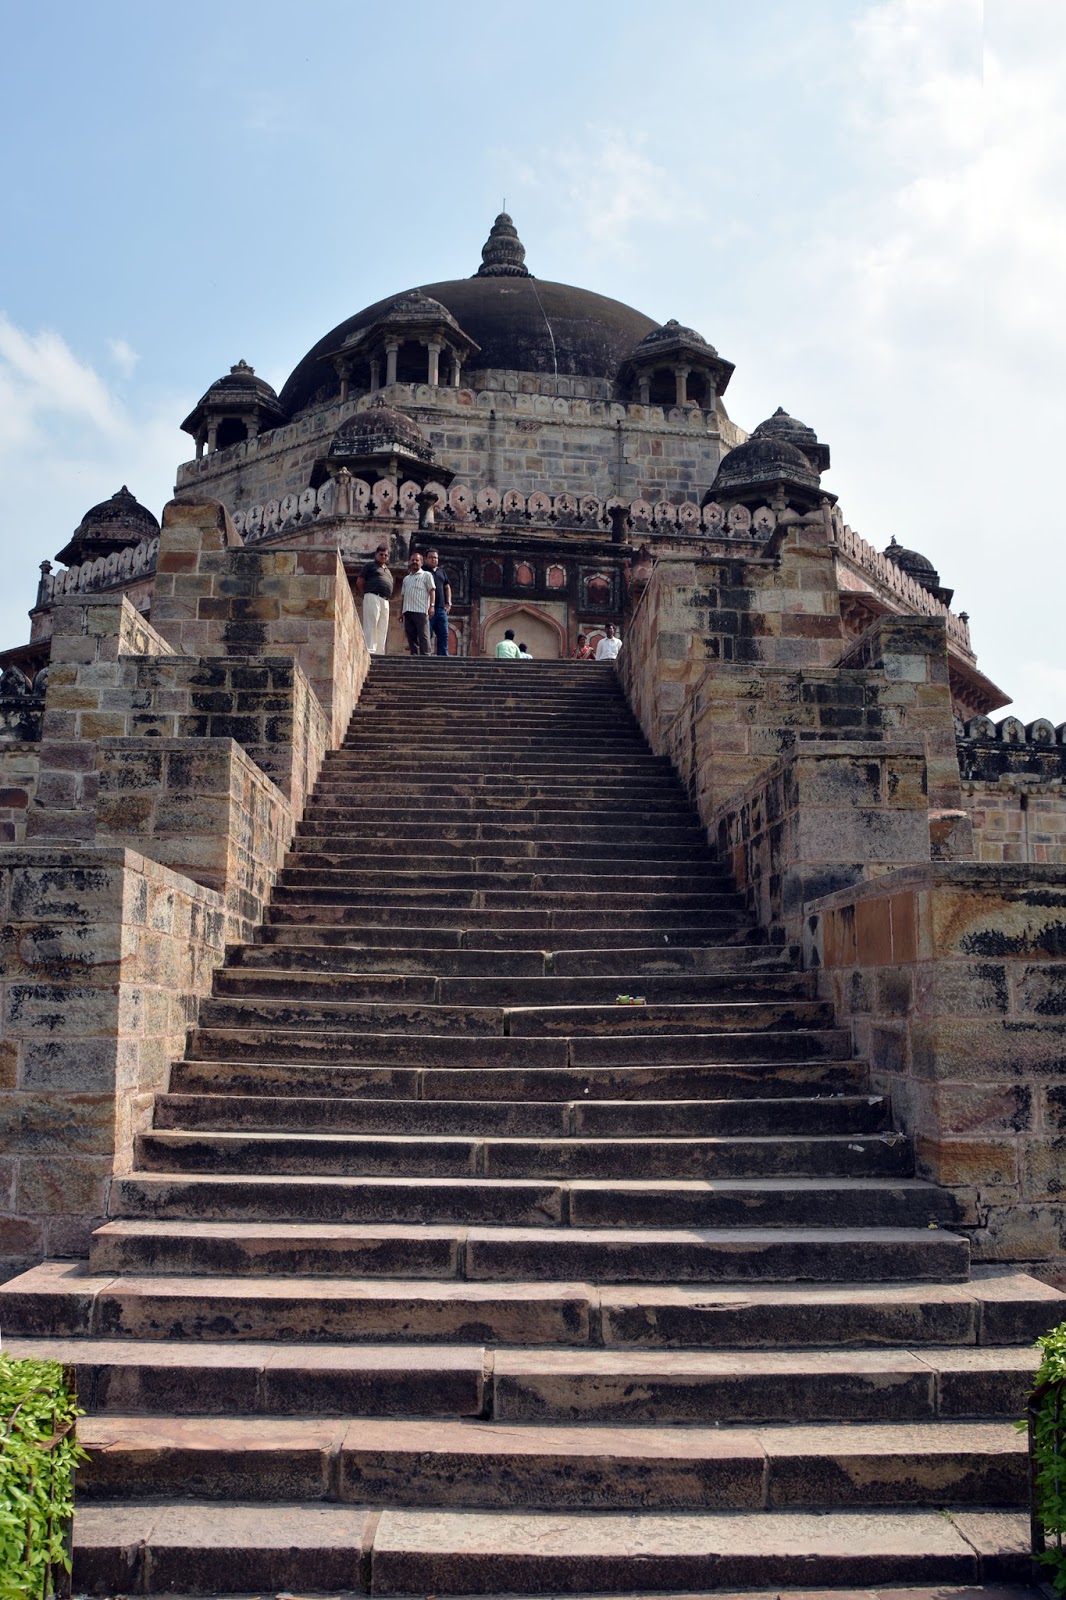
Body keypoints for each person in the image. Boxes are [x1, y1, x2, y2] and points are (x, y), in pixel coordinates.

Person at [355, 544, 393, 655]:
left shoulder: (388, 570)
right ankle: (370, 650)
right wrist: (366, 593)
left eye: (386, 555)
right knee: (371, 623)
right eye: (381, 554)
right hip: (372, 596)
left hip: (385, 600)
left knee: (382, 627)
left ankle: (380, 652)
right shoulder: (370, 566)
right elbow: (360, 581)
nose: (383, 557)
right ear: (376, 554)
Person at [400, 551, 435, 656]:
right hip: (408, 610)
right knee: (410, 635)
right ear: (410, 562)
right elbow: (403, 596)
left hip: (421, 610)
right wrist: (401, 611)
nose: (415, 562)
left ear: (421, 562)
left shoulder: (426, 575)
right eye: (413, 560)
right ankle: (414, 655)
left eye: (417, 560)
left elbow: (432, 591)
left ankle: (426, 656)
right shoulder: (406, 579)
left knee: (423, 635)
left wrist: (432, 606)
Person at [423, 548, 452, 657]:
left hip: (441, 609)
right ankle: (426, 657)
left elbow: (447, 587)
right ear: (426, 559)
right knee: (427, 634)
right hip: (426, 608)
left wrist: (448, 603)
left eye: (435, 557)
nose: (433, 560)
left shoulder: (441, 572)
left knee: (443, 634)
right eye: (431, 557)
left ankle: (443, 658)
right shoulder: (423, 571)